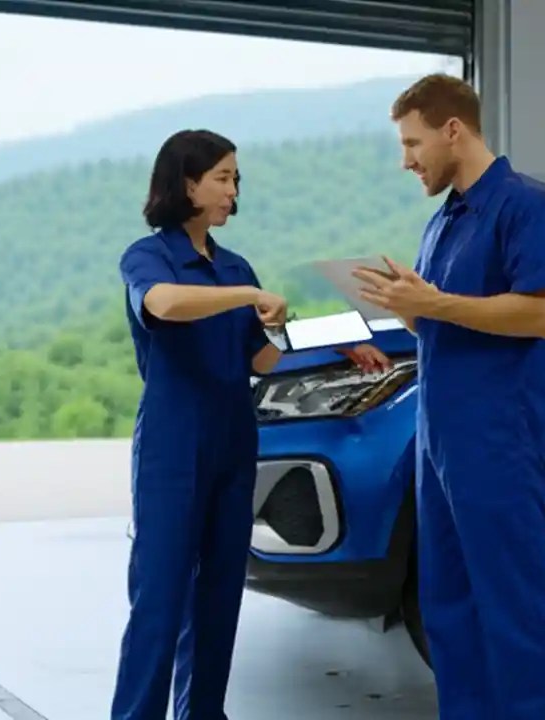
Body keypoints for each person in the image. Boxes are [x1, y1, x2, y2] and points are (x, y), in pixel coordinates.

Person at [111, 129, 390, 720]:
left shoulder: (235, 265)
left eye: (236, 178)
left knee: (218, 598)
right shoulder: (149, 256)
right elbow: (163, 305)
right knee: (159, 598)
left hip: (235, 440)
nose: (234, 190)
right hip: (172, 442)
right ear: (187, 183)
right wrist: (245, 295)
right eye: (223, 177)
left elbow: (264, 356)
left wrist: (340, 342)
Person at [353, 75, 545, 719]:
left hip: (498, 440)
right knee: (446, 607)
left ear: (454, 130)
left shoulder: (526, 205)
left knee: (514, 608)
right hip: (440, 441)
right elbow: (445, 322)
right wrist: (404, 309)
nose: (406, 160)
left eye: (412, 142)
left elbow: (543, 316)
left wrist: (434, 302)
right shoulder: (442, 220)